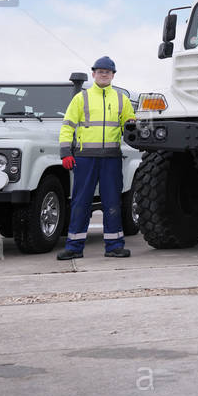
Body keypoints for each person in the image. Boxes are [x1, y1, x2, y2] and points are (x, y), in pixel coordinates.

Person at [56, 56, 136, 260]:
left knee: (112, 202)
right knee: (80, 202)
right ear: (93, 74)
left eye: (107, 72)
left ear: (113, 75)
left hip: (111, 158)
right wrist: (65, 153)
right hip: (85, 159)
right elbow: (67, 127)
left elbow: (131, 124)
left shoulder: (121, 99)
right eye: (100, 71)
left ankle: (114, 246)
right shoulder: (80, 98)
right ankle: (74, 247)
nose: (103, 74)